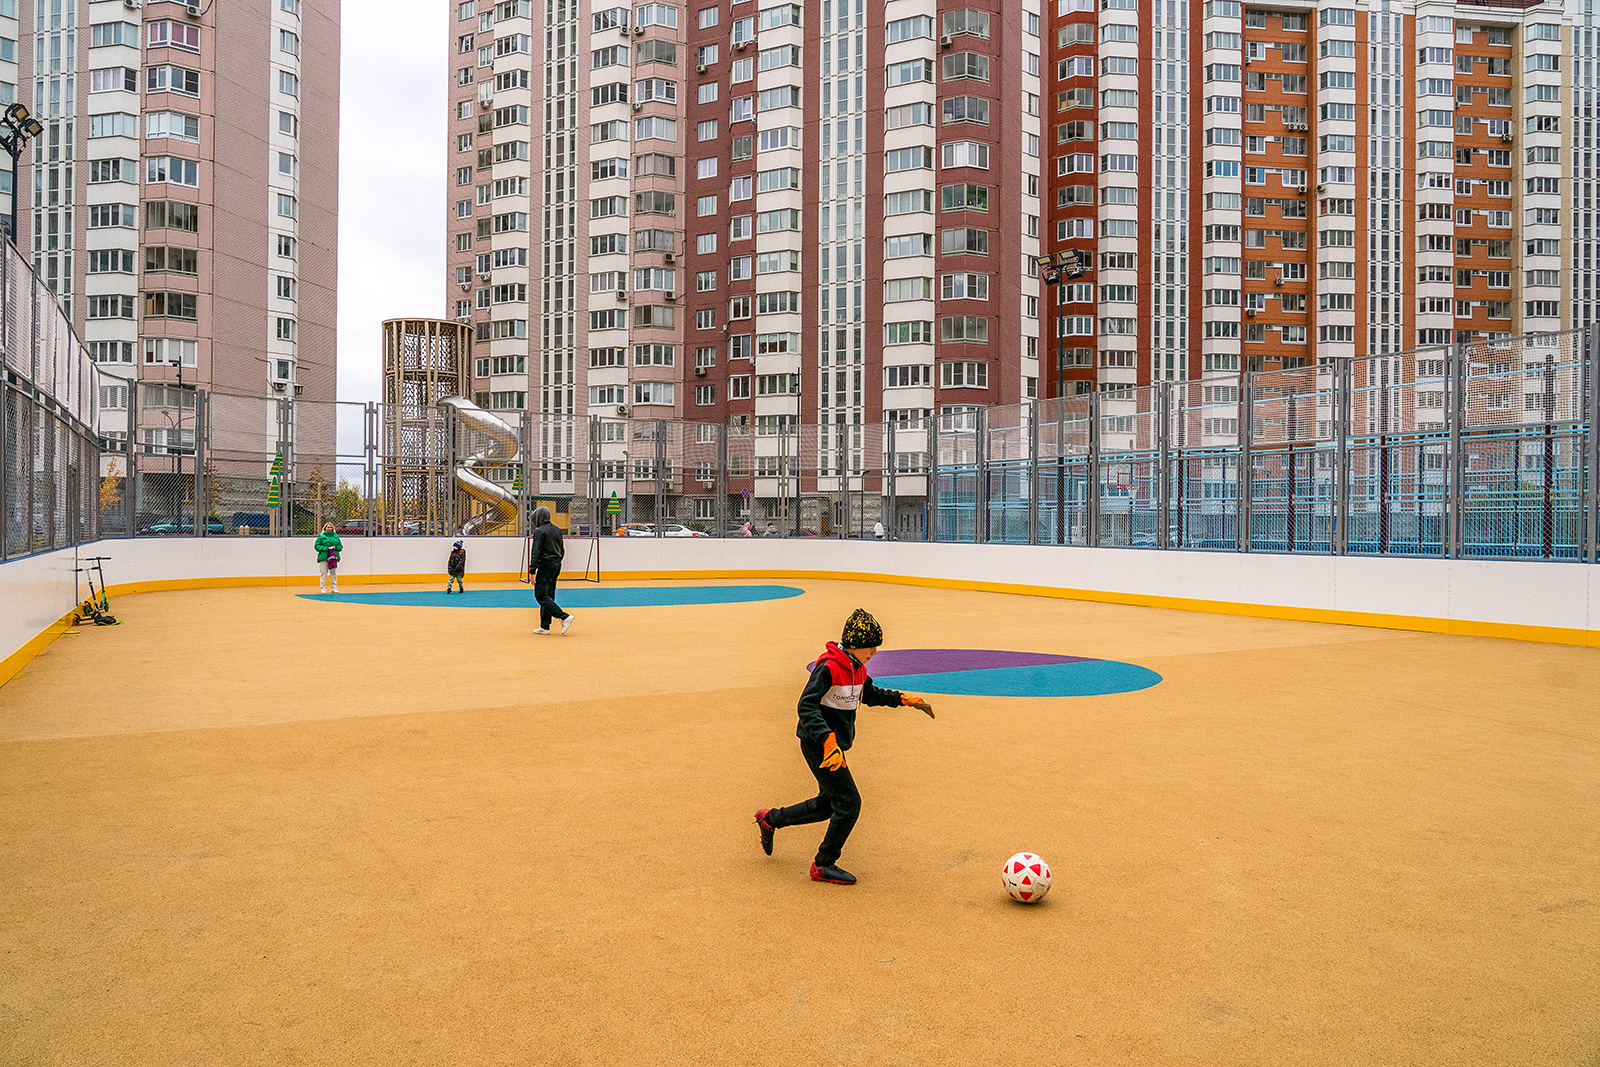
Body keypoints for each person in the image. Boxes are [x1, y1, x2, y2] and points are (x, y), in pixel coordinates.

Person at [754, 608, 935, 885]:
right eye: (871, 647)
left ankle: (770, 819)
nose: (874, 652)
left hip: (834, 747)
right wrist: (827, 741)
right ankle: (824, 863)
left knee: (827, 805)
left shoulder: (857, 668)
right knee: (849, 803)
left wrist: (902, 699)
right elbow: (806, 705)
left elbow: (869, 694)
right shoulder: (828, 668)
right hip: (819, 746)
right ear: (854, 644)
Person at [528, 505, 573, 635]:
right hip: (556, 564)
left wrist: (532, 571)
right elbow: (562, 550)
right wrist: (557, 562)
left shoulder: (540, 531)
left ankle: (564, 617)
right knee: (549, 594)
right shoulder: (557, 530)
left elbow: (536, 552)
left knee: (540, 594)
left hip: (546, 565)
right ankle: (545, 626)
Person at [314, 522, 342, 594]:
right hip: (324, 557)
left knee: (333, 573)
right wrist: (326, 548)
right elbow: (317, 546)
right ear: (325, 528)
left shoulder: (336, 537)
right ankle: (323, 587)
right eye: (328, 527)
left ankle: (334, 587)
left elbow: (340, 547)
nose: (329, 528)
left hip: (333, 557)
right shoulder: (321, 536)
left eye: (331, 527)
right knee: (323, 573)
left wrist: (335, 548)